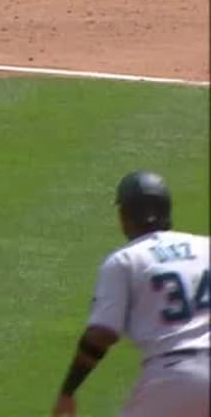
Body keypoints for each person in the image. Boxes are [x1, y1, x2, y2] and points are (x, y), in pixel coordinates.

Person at [49, 170, 208, 417]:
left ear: (125, 216)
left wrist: (68, 391)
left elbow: (101, 335)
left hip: (175, 378)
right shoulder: (206, 246)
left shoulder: (125, 260)